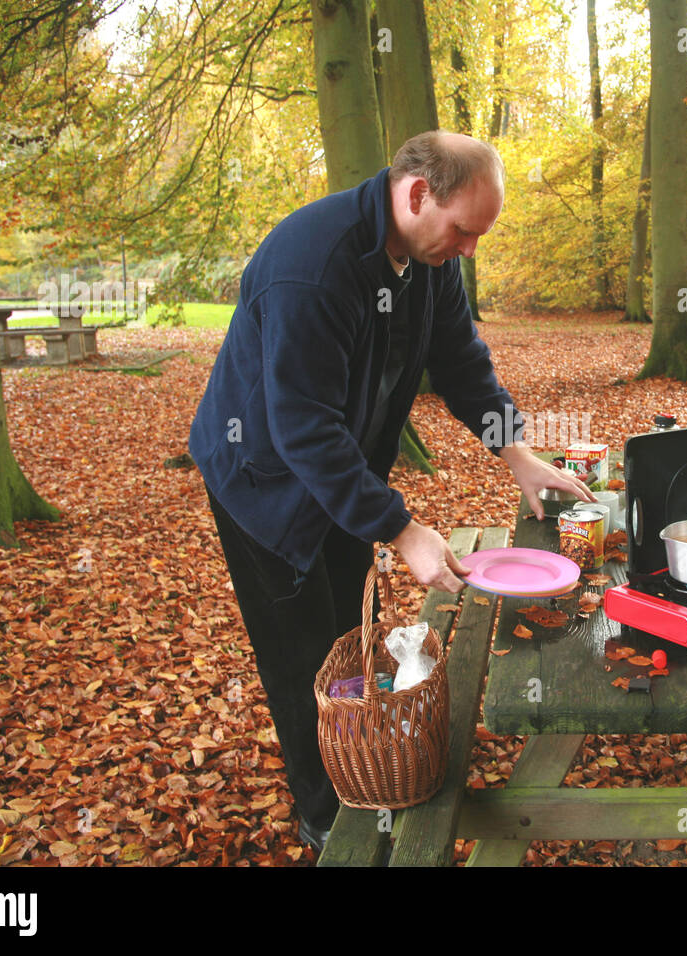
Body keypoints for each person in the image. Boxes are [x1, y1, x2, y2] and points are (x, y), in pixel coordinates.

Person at [188, 130, 591, 852]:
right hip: (264, 483)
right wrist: (401, 529)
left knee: (349, 634)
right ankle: (325, 817)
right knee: (301, 658)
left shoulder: (429, 260)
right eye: (465, 230)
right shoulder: (314, 265)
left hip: (342, 473)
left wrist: (519, 454)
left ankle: (363, 765)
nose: (469, 249)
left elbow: (462, 362)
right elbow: (302, 428)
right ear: (415, 195)